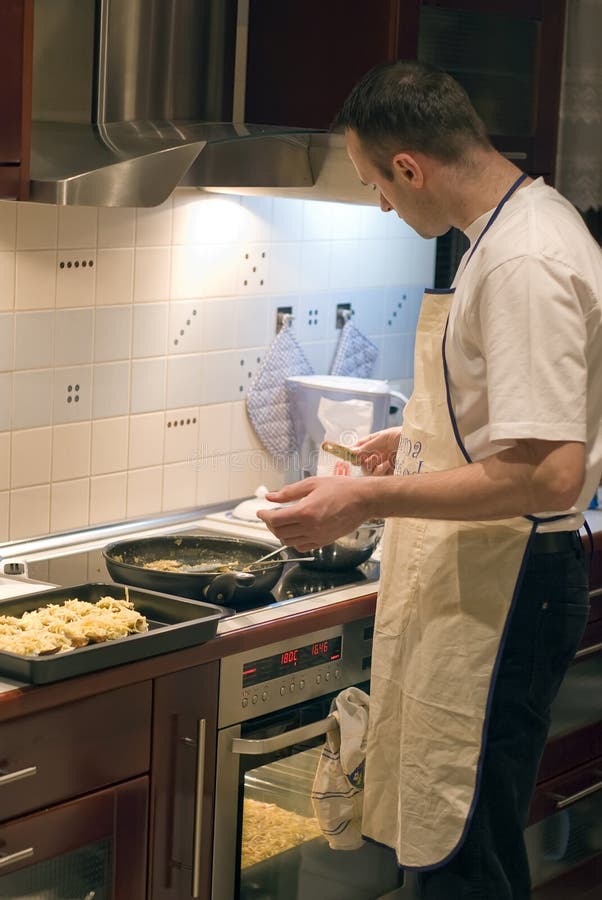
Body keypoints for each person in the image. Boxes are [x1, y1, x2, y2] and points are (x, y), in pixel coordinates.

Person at [257, 60, 602, 899]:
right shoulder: (517, 228)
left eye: (376, 181)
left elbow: (551, 476)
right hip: (487, 582)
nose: (381, 201)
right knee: (451, 847)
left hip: (506, 590)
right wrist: (416, 446)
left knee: (467, 860)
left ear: (410, 166)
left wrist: (365, 498)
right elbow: (508, 426)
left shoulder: (524, 260)